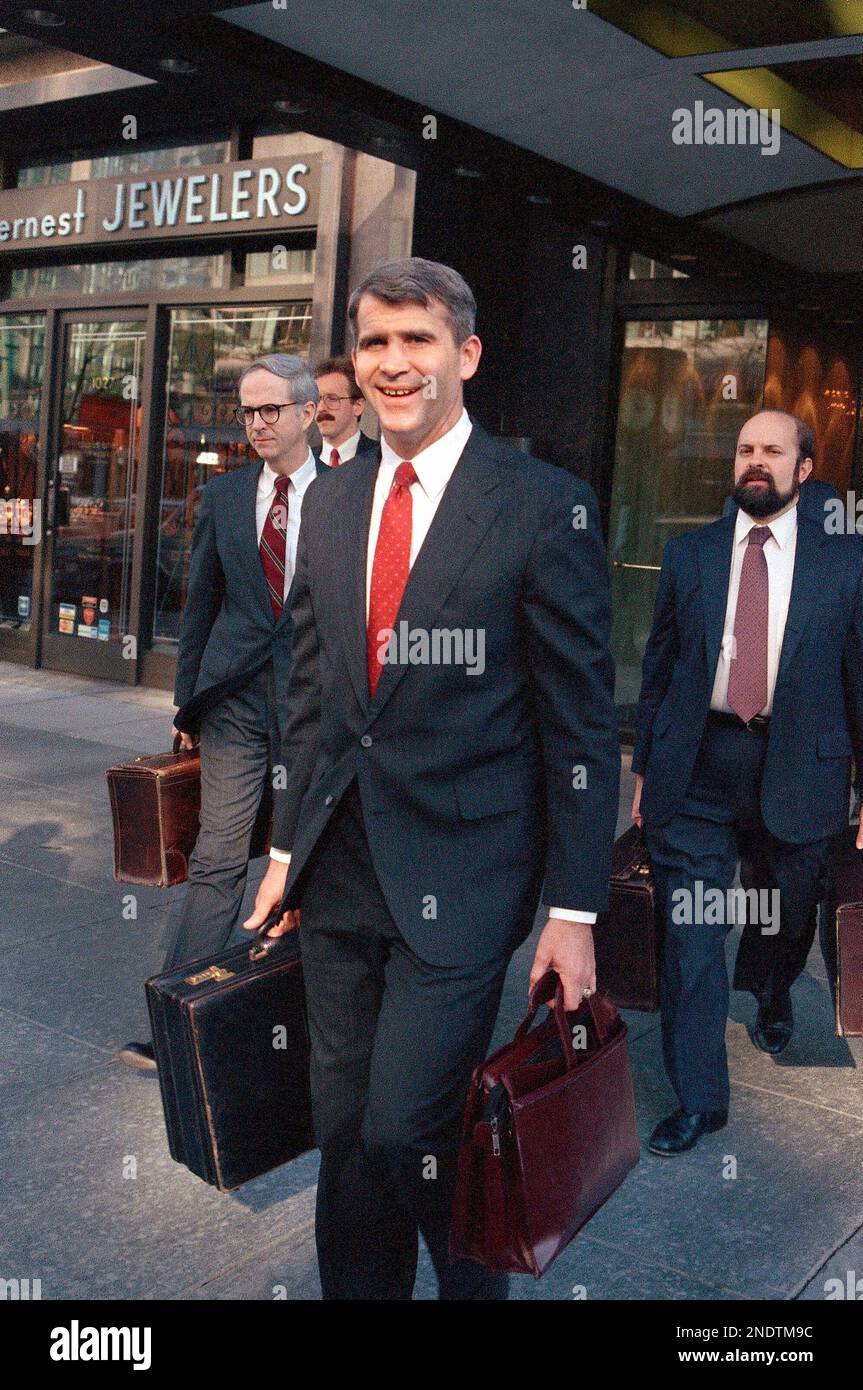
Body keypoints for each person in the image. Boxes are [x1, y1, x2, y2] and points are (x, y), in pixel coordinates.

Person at [244, 256, 620, 1299]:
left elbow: (581, 728)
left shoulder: (543, 506)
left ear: (465, 353)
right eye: (373, 342)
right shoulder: (329, 503)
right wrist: (282, 849)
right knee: (343, 1132)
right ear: (353, 363)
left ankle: (473, 1270)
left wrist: (574, 908)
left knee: (403, 1118)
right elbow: (312, 700)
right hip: (339, 870)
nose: (394, 363)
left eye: (417, 340)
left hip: (466, 872)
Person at [632, 409, 863, 1154]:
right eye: (743, 449)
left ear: (804, 469)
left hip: (799, 764)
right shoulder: (689, 554)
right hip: (697, 765)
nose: (754, 461)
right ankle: (700, 1097)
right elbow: (660, 666)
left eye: (772, 450)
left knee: (789, 906)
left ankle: (769, 986)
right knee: (690, 935)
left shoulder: (845, 562)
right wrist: (644, 767)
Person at [119, 355, 327, 1070]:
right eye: (248, 411)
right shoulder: (227, 495)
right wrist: (188, 700)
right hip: (234, 699)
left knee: (308, 862)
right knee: (216, 857)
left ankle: (296, 1028)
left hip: (316, 705)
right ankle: (177, 1023)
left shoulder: (350, 494)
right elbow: (199, 602)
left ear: (309, 412)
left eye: (272, 409)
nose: (259, 423)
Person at [313, 355, 378, 467]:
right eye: (317, 400)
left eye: (332, 399)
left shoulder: (380, 458)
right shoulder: (302, 463)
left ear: (358, 406)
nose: (321, 408)